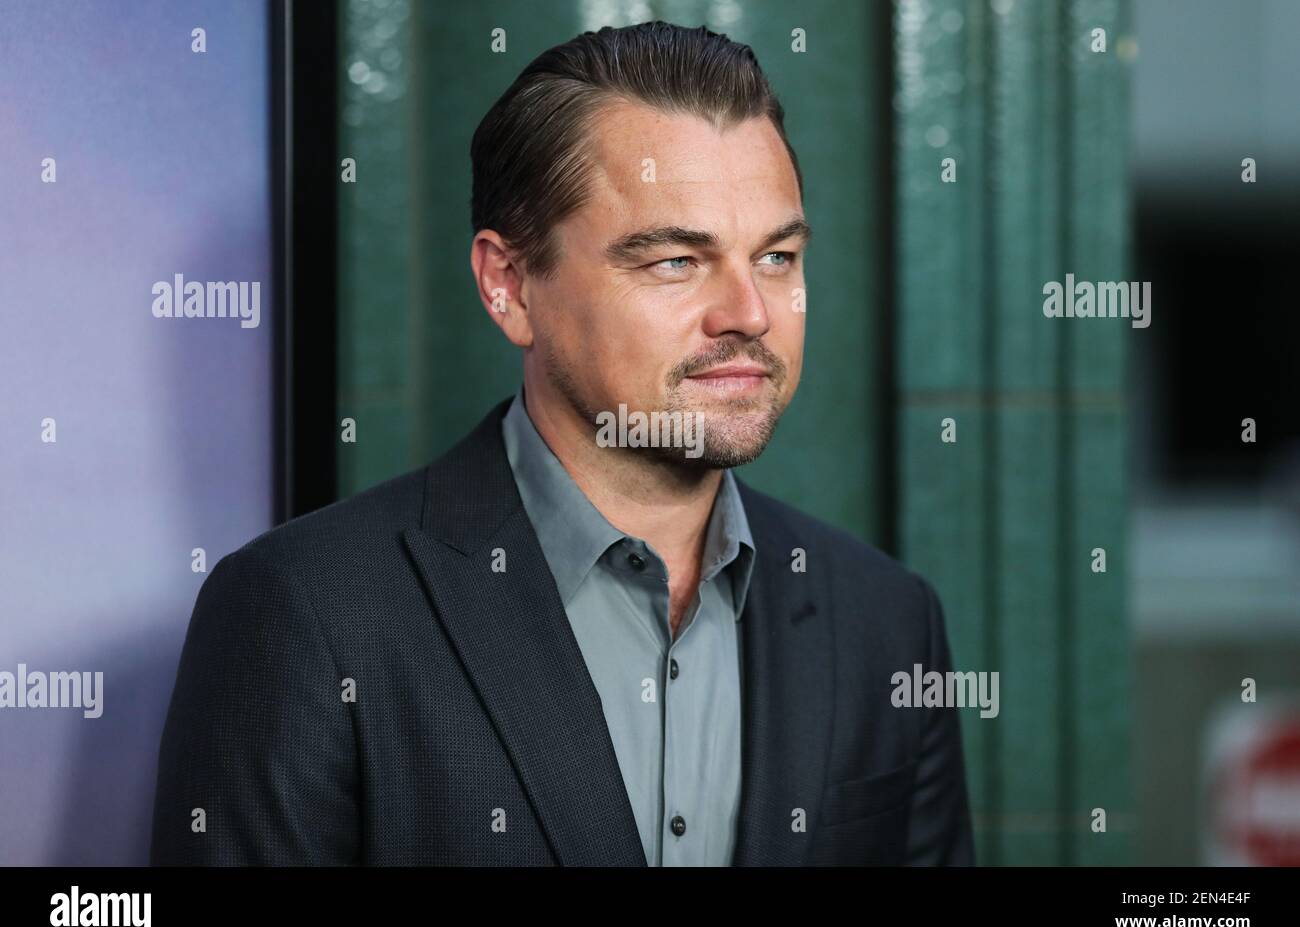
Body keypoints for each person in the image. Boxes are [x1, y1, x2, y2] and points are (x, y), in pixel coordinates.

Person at [151, 20, 974, 866]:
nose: (751, 313)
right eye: (674, 262)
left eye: (775, 256)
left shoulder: (886, 621)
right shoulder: (304, 615)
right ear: (508, 286)